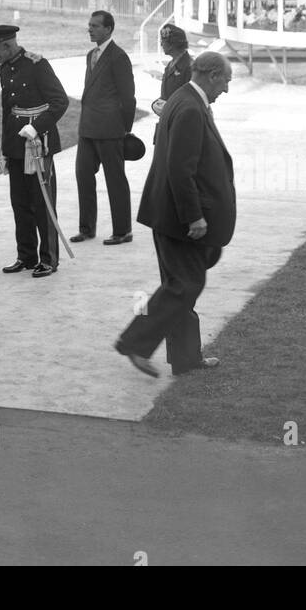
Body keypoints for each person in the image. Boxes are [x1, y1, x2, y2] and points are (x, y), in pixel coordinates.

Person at [115, 51, 236, 379]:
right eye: (225, 80)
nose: (226, 88)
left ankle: (185, 359)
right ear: (211, 76)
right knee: (185, 285)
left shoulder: (183, 100)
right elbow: (180, 169)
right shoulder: (190, 108)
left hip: (168, 212)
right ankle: (135, 343)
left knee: (180, 285)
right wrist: (194, 217)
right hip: (178, 217)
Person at [0, 23, 69, 279]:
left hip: (38, 143)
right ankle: (27, 255)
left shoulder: (37, 65)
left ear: (7, 45)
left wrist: (37, 128)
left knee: (42, 202)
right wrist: (8, 149)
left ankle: (49, 258)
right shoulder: (5, 66)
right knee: (19, 202)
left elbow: (59, 101)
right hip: (18, 145)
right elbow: (10, 109)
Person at [73, 10, 137, 244]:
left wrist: (125, 128)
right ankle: (86, 228)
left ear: (108, 29)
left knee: (115, 179)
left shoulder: (118, 57)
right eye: (89, 25)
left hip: (110, 130)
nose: (90, 29)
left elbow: (128, 96)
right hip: (87, 128)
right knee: (83, 176)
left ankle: (123, 231)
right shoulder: (91, 54)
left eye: (95, 26)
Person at [151, 24, 192, 142]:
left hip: (180, 129)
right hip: (167, 124)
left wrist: (168, 107)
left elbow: (190, 101)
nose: (161, 44)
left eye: (163, 41)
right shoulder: (171, 65)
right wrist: (157, 104)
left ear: (173, 43)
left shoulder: (189, 67)